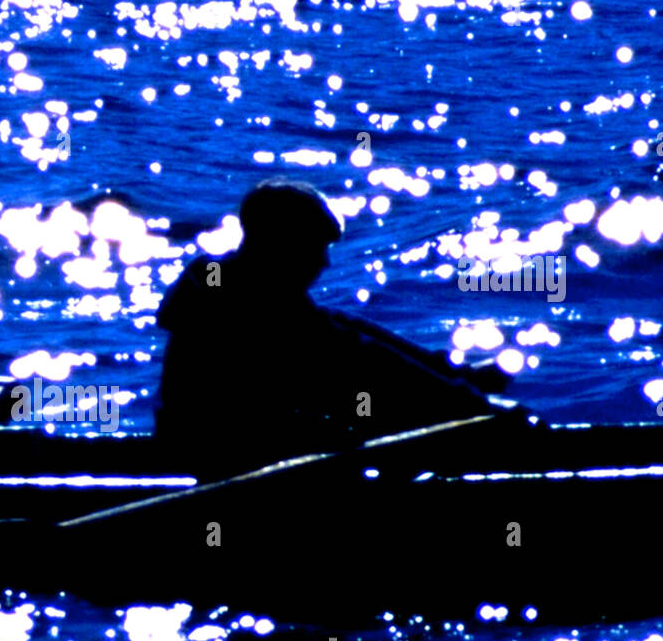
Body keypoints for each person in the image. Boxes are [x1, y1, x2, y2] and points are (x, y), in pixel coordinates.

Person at [155, 177, 509, 471]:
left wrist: (448, 375)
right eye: (315, 248)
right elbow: (358, 360)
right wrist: (467, 404)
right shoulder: (254, 312)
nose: (324, 263)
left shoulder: (242, 287)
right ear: (282, 247)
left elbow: (348, 335)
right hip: (223, 460)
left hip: (227, 443)